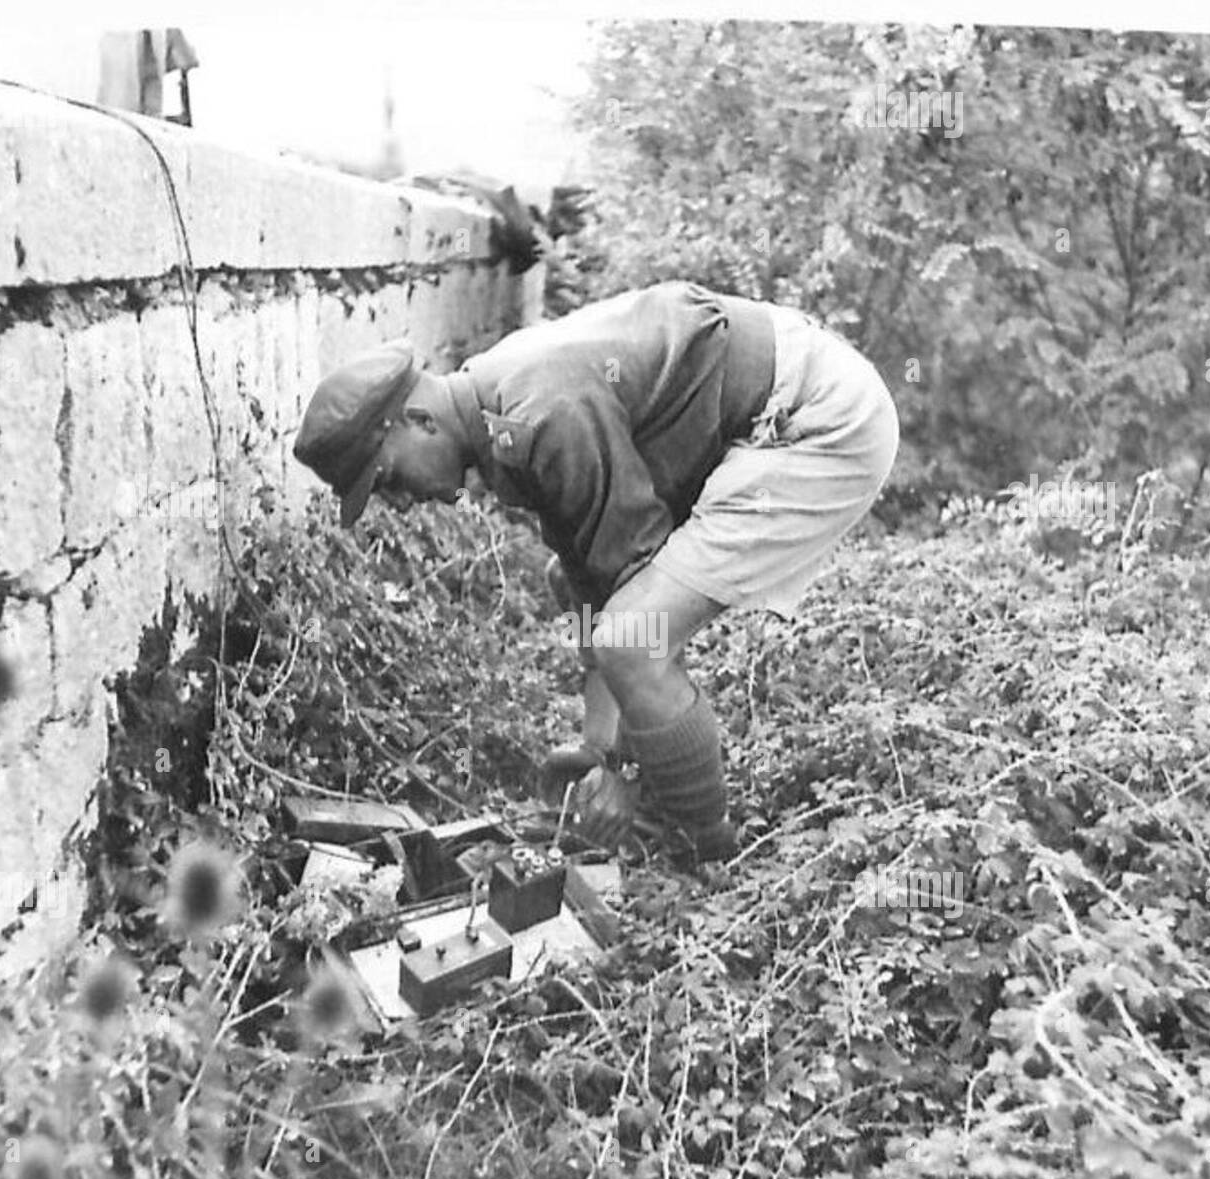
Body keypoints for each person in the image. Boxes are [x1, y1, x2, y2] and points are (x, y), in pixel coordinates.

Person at [292, 281, 898, 864]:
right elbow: (592, 574)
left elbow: (640, 616)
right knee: (580, 591)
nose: (399, 503)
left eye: (389, 480)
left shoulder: (539, 412)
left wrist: (626, 775)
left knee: (631, 640)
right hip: (780, 394)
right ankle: (660, 803)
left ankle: (704, 855)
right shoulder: (495, 405)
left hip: (816, 420)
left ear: (419, 420)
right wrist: (596, 750)